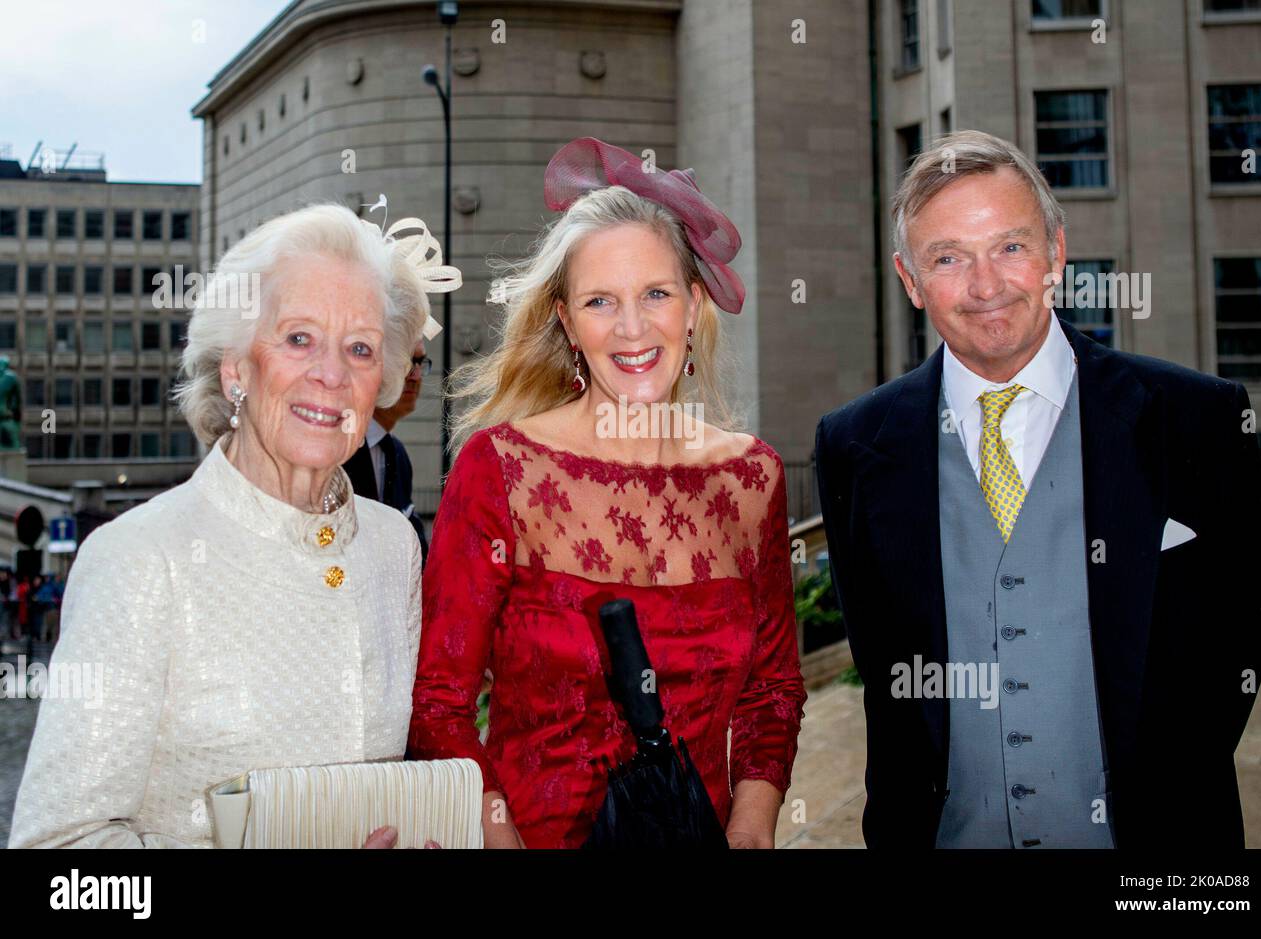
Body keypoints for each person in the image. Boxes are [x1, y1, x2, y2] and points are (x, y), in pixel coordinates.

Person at [814, 130, 1261, 849]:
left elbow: (1244, 621)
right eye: (948, 258)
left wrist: (1170, 788)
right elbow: (885, 668)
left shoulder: (1197, 419)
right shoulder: (853, 445)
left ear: (1057, 253)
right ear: (910, 281)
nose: (986, 284)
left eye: (1010, 246)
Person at [8, 203, 459, 848]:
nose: (330, 375)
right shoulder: (138, 559)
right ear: (236, 368)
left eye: (359, 349)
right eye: (298, 338)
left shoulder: (392, 548)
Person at [408, 137, 807, 848]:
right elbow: (439, 704)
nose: (632, 327)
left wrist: (750, 828)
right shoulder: (500, 469)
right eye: (600, 300)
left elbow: (772, 692)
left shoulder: (751, 481)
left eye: (655, 293)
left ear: (693, 307)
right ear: (565, 320)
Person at [342, 335, 430, 565]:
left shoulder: (397, 454)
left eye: (421, 363)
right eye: (407, 363)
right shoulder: (336, 445)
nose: (416, 376)